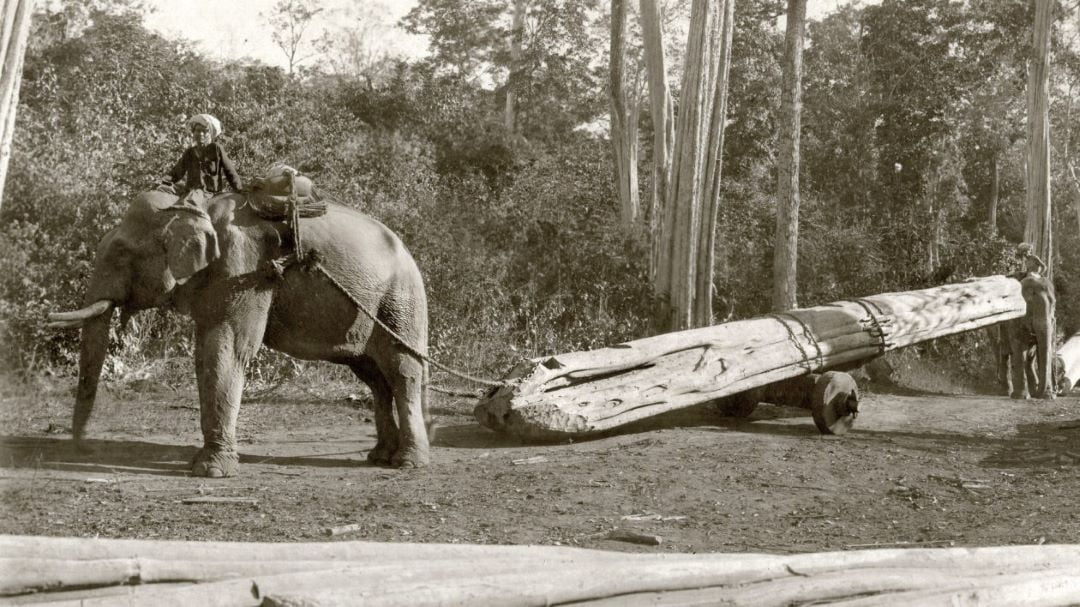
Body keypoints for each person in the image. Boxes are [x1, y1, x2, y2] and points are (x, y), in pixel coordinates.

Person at [159, 114, 243, 205]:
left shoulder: (216, 149)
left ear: (210, 134)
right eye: (198, 131)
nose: (201, 134)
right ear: (193, 132)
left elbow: (230, 171)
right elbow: (176, 172)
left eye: (205, 131)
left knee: (189, 203)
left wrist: (240, 189)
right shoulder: (190, 152)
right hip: (191, 190)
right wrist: (163, 181)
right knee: (163, 191)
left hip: (210, 193)